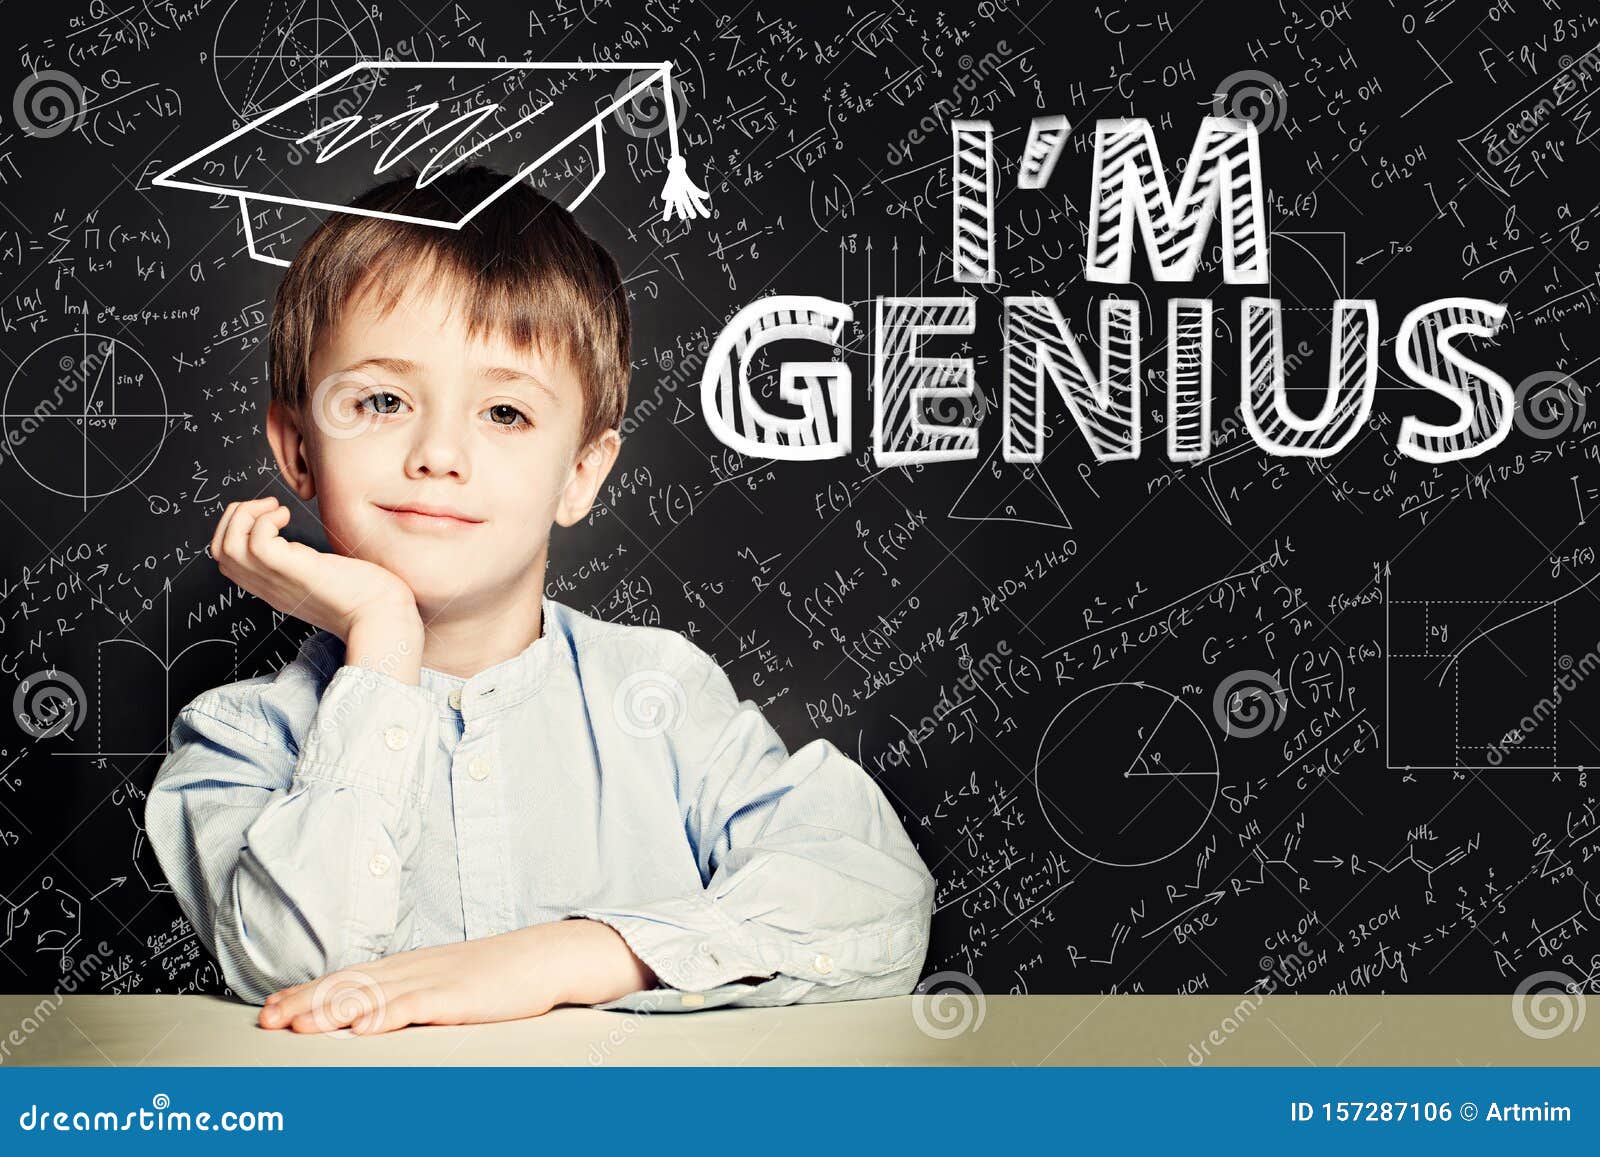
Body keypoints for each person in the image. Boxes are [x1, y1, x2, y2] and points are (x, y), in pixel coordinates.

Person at [144, 165, 936, 1035]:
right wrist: (384, 635)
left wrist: (564, 956)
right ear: (298, 449)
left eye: (507, 414)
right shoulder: (238, 740)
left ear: (582, 472)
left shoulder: (662, 700)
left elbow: (878, 898)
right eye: (382, 399)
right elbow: (296, 966)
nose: (440, 452)